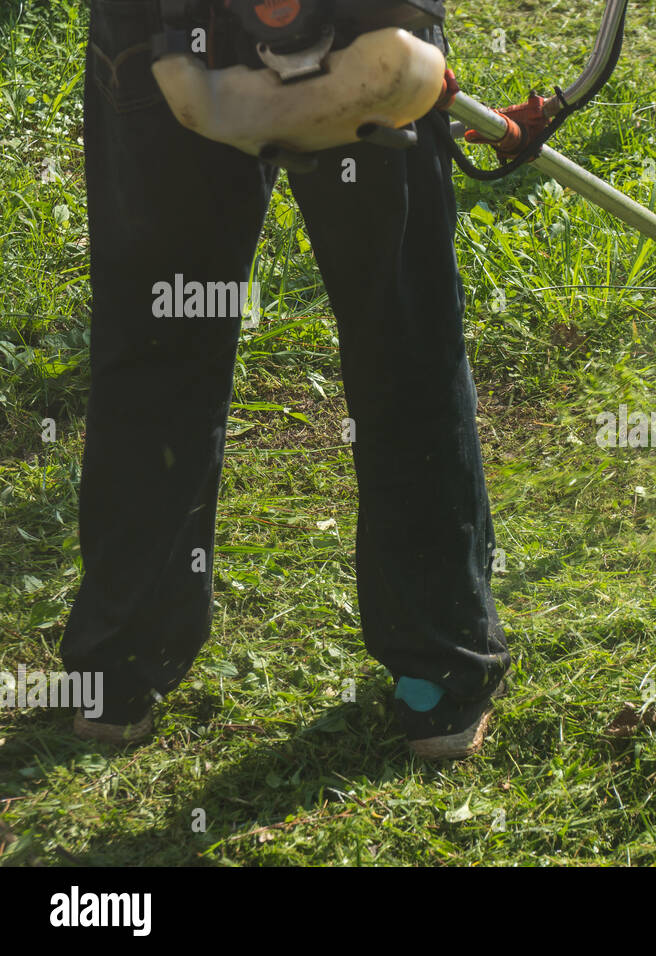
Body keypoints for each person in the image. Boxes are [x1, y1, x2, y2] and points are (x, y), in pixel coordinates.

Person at [60, 0, 511, 760]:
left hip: (163, 32)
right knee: (403, 334)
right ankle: (436, 677)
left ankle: (116, 673)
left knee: (156, 338)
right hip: (367, 26)